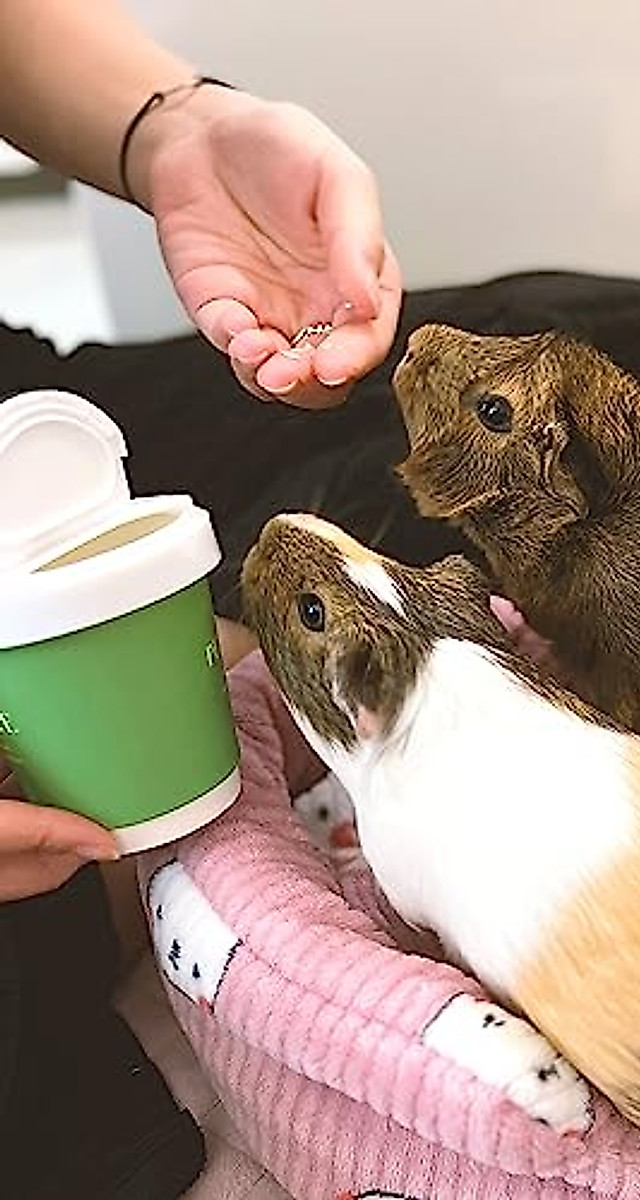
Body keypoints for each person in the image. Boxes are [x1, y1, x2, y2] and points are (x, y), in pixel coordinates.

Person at [0, 1, 409, 1194]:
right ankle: (197, 706)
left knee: (637, 348)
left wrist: (176, 130)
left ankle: (199, 676)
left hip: (27, 430)